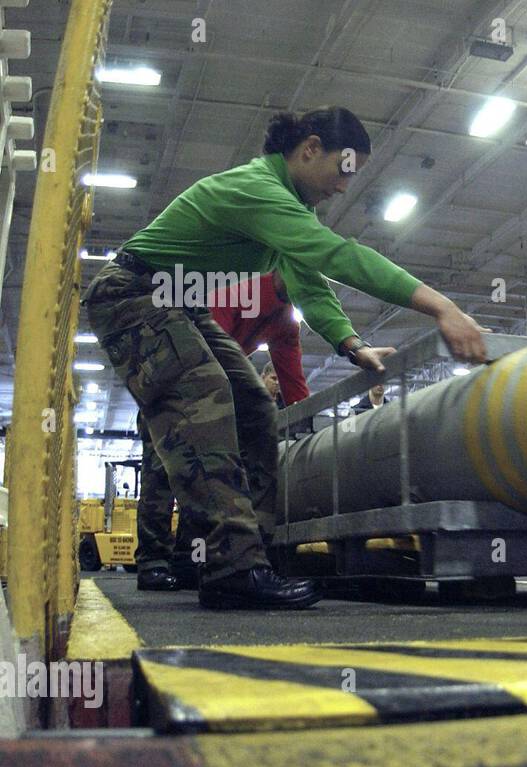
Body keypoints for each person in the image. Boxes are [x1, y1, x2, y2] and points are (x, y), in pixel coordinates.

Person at [86, 106, 488, 609]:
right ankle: (232, 569)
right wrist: (442, 307)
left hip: (179, 301)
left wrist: (352, 344)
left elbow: (311, 284)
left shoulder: (289, 211)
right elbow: (339, 256)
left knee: (254, 407)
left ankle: (239, 557)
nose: (344, 186)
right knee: (205, 405)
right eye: (343, 170)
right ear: (310, 149)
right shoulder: (260, 190)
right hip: (134, 294)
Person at [134, 272, 311, 591]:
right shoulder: (240, 290)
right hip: (172, 374)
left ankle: (189, 559)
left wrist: (307, 425)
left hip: (213, 382)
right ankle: (152, 562)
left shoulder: (286, 323)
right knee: (163, 468)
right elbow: (204, 347)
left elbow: (294, 384)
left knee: (205, 471)